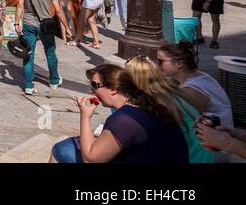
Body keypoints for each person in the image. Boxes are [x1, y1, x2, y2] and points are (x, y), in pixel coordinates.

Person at [51, 63, 188, 163]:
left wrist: (85, 116)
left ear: (114, 89)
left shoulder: (122, 120)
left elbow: (91, 160)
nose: (91, 91)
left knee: (62, 149)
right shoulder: (146, 103)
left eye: (95, 85)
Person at [157, 41, 234, 127]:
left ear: (179, 63)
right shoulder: (197, 76)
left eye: (161, 61)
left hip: (219, 137)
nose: (157, 65)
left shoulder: (192, 90)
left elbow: (172, 119)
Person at [14, 0, 64, 95]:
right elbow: (58, 11)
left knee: (28, 55)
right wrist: (67, 27)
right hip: (46, 25)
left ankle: (29, 85)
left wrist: (16, 22)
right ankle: (54, 81)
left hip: (29, 24)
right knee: (50, 53)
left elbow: (20, 5)